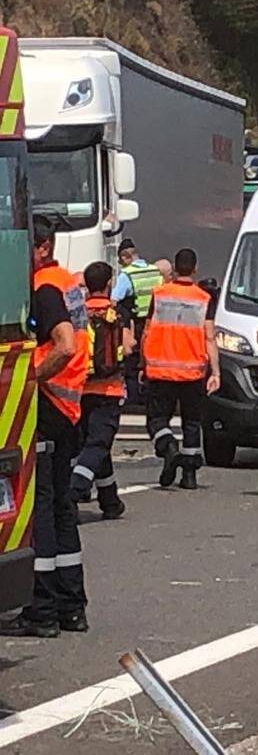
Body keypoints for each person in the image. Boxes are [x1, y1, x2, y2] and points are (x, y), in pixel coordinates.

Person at [0, 217, 90, 637]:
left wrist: (28, 378)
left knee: (40, 509)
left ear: (40, 248)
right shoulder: (67, 281)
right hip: (69, 407)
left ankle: (43, 609)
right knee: (60, 509)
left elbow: (65, 343)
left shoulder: (44, 286)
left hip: (48, 405)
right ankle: (71, 605)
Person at [141, 248, 220, 490]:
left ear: (175, 268)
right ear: (195, 269)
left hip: (160, 369)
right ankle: (189, 476)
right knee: (192, 422)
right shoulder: (204, 299)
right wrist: (215, 372)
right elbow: (209, 337)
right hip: (193, 372)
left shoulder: (159, 294)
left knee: (156, 419)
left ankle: (168, 448)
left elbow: (146, 331)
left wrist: (143, 364)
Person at [69, 262, 131, 521]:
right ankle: (72, 493)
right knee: (97, 445)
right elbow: (127, 348)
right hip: (109, 390)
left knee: (92, 445)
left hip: (80, 389)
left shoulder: (77, 312)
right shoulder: (116, 313)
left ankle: (110, 501)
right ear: (108, 284)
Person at [112, 239, 162, 404]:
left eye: (121, 260)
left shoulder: (127, 274)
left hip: (137, 325)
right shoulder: (155, 271)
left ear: (126, 257)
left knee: (133, 363)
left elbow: (114, 300)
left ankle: (134, 398)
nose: (121, 264)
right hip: (156, 324)